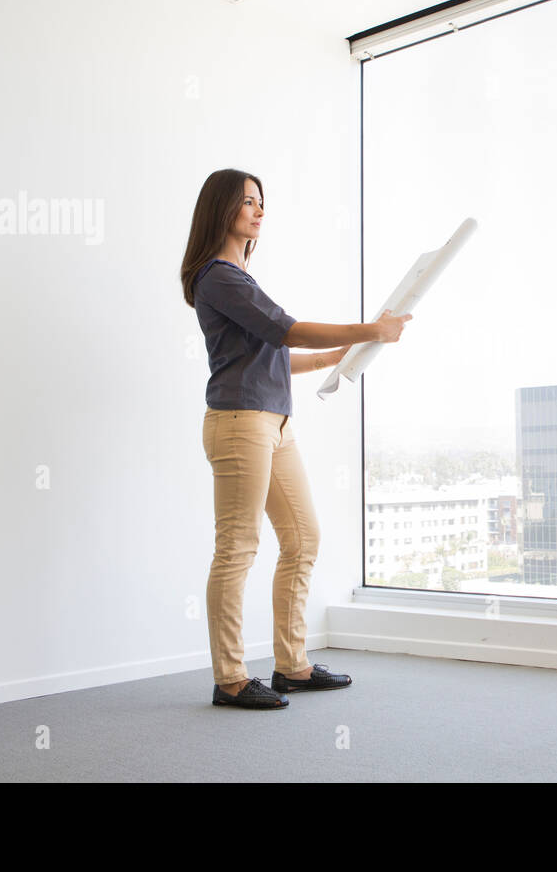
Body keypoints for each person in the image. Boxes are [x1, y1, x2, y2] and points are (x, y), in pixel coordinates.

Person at [180, 168, 411, 709]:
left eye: (261, 202)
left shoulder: (242, 276)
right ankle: (231, 678)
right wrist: (370, 330)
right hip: (240, 423)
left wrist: (336, 357)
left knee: (303, 539)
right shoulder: (219, 277)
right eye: (247, 203)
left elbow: (275, 353)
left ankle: (292, 666)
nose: (259, 211)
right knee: (237, 549)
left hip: (274, 424)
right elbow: (286, 329)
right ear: (221, 210)